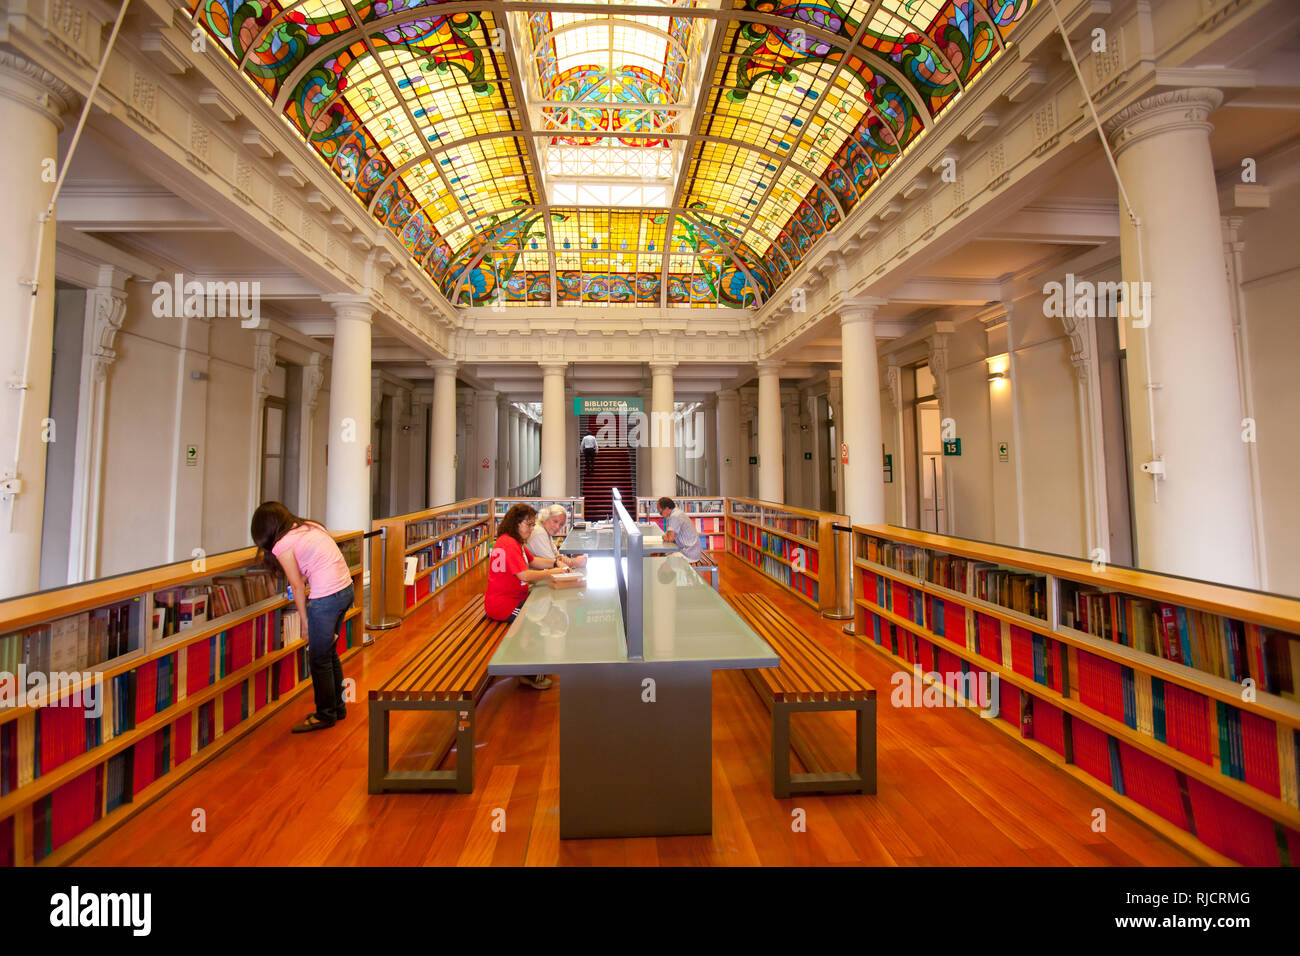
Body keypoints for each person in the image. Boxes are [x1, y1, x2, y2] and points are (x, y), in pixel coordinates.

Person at [251, 502, 353, 733]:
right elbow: (314, 566)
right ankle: (337, 708)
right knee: (328, 652)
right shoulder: (310, 527)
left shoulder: (282, 545)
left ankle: (325, 714)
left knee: (318, 659)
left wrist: (305, 622)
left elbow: (297, 586)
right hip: (346, 589)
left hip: (326, 598)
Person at [486, 503, 566, 689]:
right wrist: (552, 573)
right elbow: (525, 575)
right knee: (535, 620)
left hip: (511, 599)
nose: (531, 528)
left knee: (542, 607)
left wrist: (555, 564)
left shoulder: (514, 542)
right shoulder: (509, 544)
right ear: (516, 523)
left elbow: (534, 561)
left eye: (532, 524)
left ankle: (530, 664)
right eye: (528, 524)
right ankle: (529, 673)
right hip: (504, 605)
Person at [528, 504, 587, 570]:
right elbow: (554, 564)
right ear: (545, 517)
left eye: (561, 524)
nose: (557, 527)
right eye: (555, 521)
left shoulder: (545, 531)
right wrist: (573, 564)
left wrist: (560, 559)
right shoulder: (539, 532)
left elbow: (557, 556)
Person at [657, 496, 704, 563]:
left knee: (664, 562)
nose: (660, 515)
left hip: (689, 553)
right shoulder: (675, 513)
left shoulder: (674, 516)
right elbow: (668, 534)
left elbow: (670, 538)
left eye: (660, 512)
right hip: (690, 550)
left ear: (667, 509)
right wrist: (667, 536)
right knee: (662, 556)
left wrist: (664, 536)